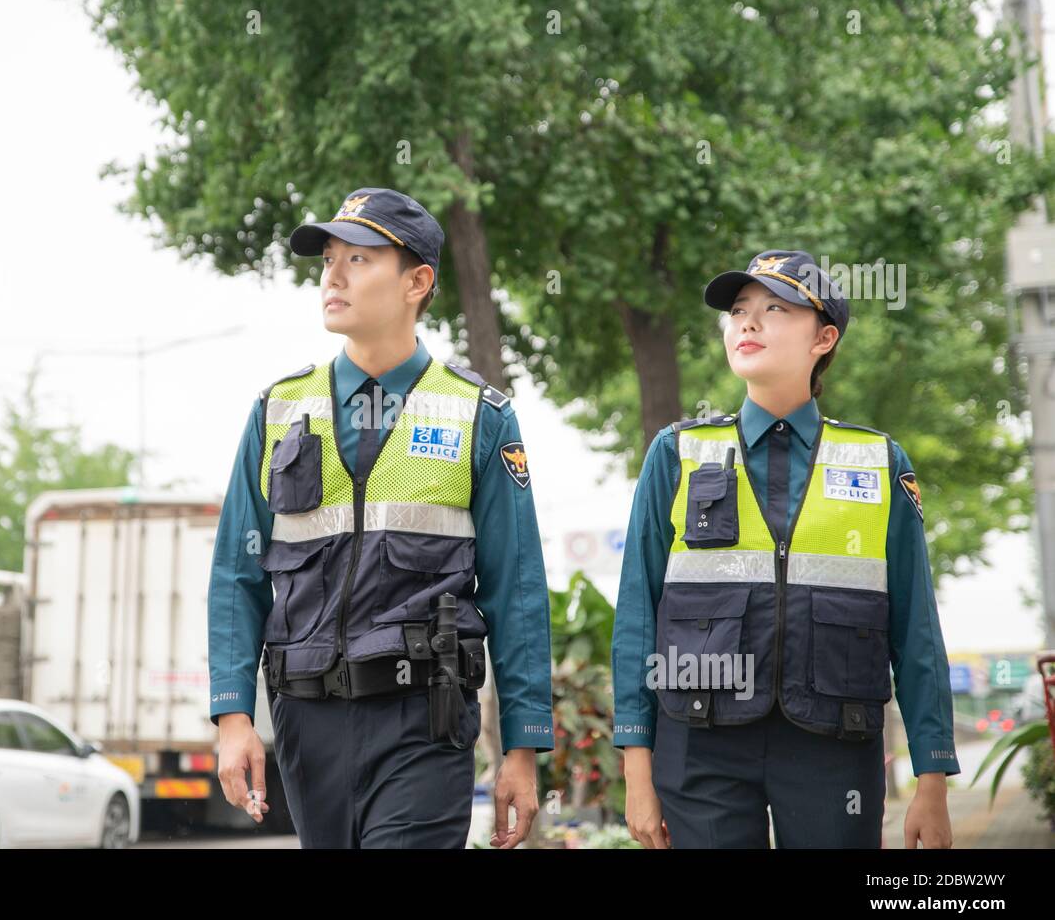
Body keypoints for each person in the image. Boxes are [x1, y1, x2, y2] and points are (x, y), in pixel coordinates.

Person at [207, 187, 555, 848]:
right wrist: (232, 715)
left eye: (360, 259)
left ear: (417, 282)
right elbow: (235, 574)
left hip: (422, 717)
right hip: (307, 719)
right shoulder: (279, 408)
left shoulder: (479, 415)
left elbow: (517, 588)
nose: (333, 276)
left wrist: (523, 744)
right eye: (328, 259)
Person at [612, 249, 959, 848]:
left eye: (775, 308)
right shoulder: (676, 454)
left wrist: (932, 776)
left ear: (823, 338)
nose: (747, 322)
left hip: (834, 748)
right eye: (739, 310)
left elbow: (916, 629)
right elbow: (638, 616)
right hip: (700, 747)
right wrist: (636, 767)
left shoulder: (878, 463)